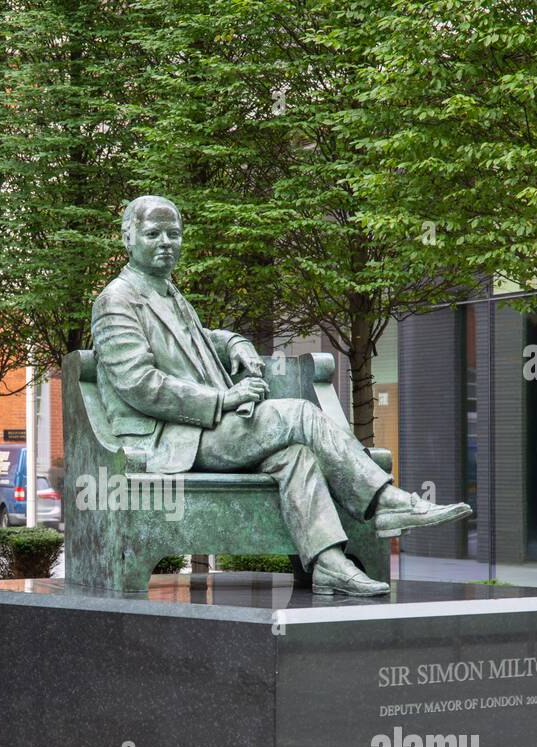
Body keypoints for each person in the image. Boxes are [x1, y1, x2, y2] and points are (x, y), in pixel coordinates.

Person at [91, 195, 471, 596]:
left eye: (174, 234)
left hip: (211, 429)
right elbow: (140, 384)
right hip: (173, 437)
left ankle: (328, 565)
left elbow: (198, 342)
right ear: (128, 238)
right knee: (300, 415)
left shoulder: (166, 293)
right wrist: (224, 400)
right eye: (153, 234)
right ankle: (385, 501)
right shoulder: (116, 301)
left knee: (297, 457)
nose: (166, 242)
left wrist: (235, 342)